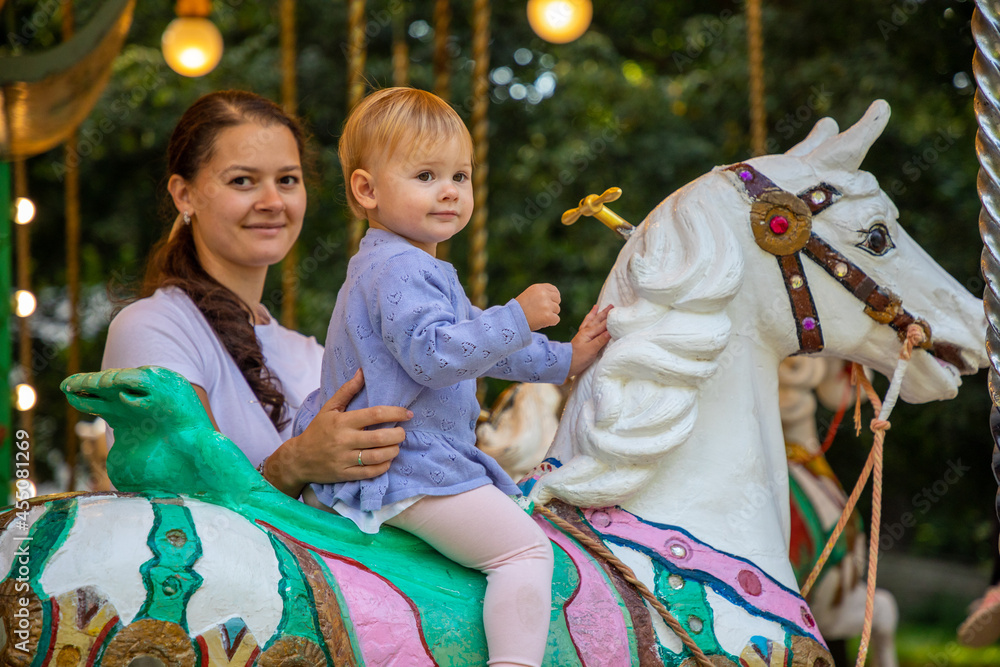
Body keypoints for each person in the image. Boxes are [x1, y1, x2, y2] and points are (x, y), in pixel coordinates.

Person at [294, 87, 612, 667]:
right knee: (524, 553)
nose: (449, 190)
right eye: (425, 175)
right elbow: (434, 356)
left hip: (410, 459)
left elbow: (481, 352)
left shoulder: (413, 266)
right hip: (410, 463)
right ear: (366, 190)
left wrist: (566, 359)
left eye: (459, 176)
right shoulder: (400, 269)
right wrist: (516, 314)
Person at [102, 90, 409, 499]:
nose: (272, 201)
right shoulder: (153, 327)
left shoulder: (311, 353)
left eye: (287, 180)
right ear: (184, 194)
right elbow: (181, 508)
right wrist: (294, 463)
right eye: (242, 181)